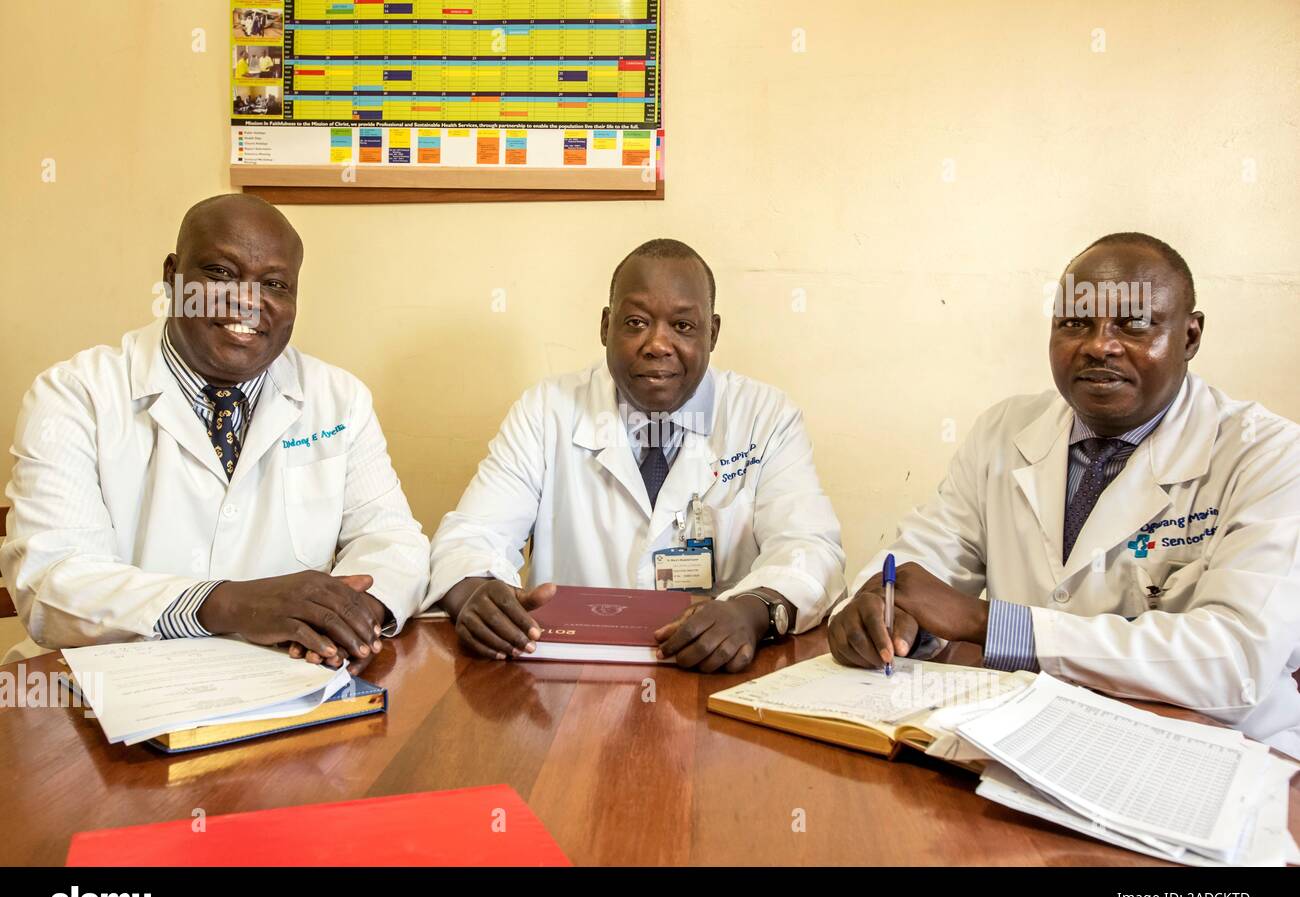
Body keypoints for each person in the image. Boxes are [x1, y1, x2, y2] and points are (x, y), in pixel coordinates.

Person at [830, 232, 1300, 757]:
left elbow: (1236, 662)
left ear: (1190, 337)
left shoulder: (1269, 455)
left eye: (1134, 323)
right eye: (1075, 322)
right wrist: (878, 609)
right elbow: (926, 558)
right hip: (1029, 742)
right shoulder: (1005, 431)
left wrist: (992, 624)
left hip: (1215, 758)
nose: (1100, 344)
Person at [1, 195, 430, 676]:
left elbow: (393, 541)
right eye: (221, 273)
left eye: (274, 284)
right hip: (103, 694)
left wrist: (353, 614)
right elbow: (53, 585)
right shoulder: (75, 395)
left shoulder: (338, 399)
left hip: (282, 678)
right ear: (172, 276)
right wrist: (233, 604)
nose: (248, 302)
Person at [427, 239, 846, 673]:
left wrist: (752, 611)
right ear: (606, 326)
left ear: (713, 333)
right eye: (636, 322)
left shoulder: (764, 416)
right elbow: (472, 536)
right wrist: (476, 591)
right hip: (570, 680)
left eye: (683, 326)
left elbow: (809, 547)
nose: (657, 344)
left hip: (713, 675)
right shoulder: (546, 410)